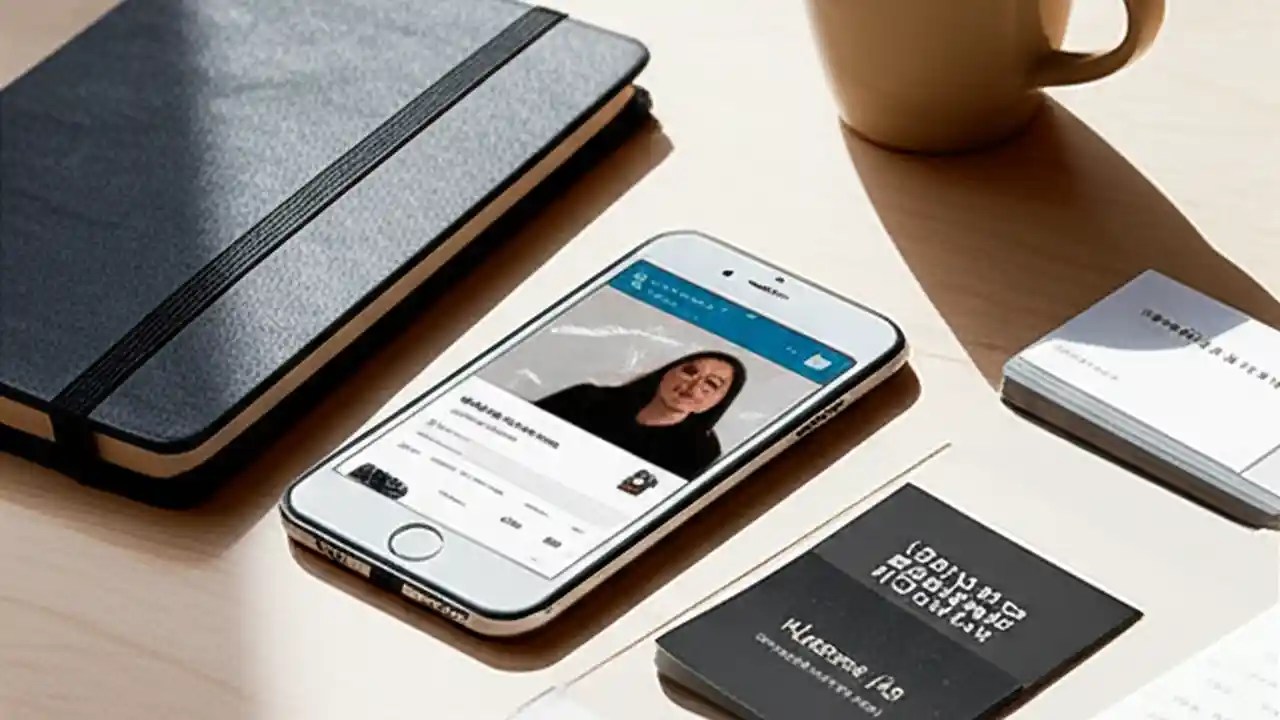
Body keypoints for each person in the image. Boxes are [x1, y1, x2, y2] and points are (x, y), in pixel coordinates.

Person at [534, 351, 747, 479]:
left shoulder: (700, 451)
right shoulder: (586, 397)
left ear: (720, 401)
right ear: (667, 372)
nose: (693, 386)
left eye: (710, 384)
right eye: (690, 372)